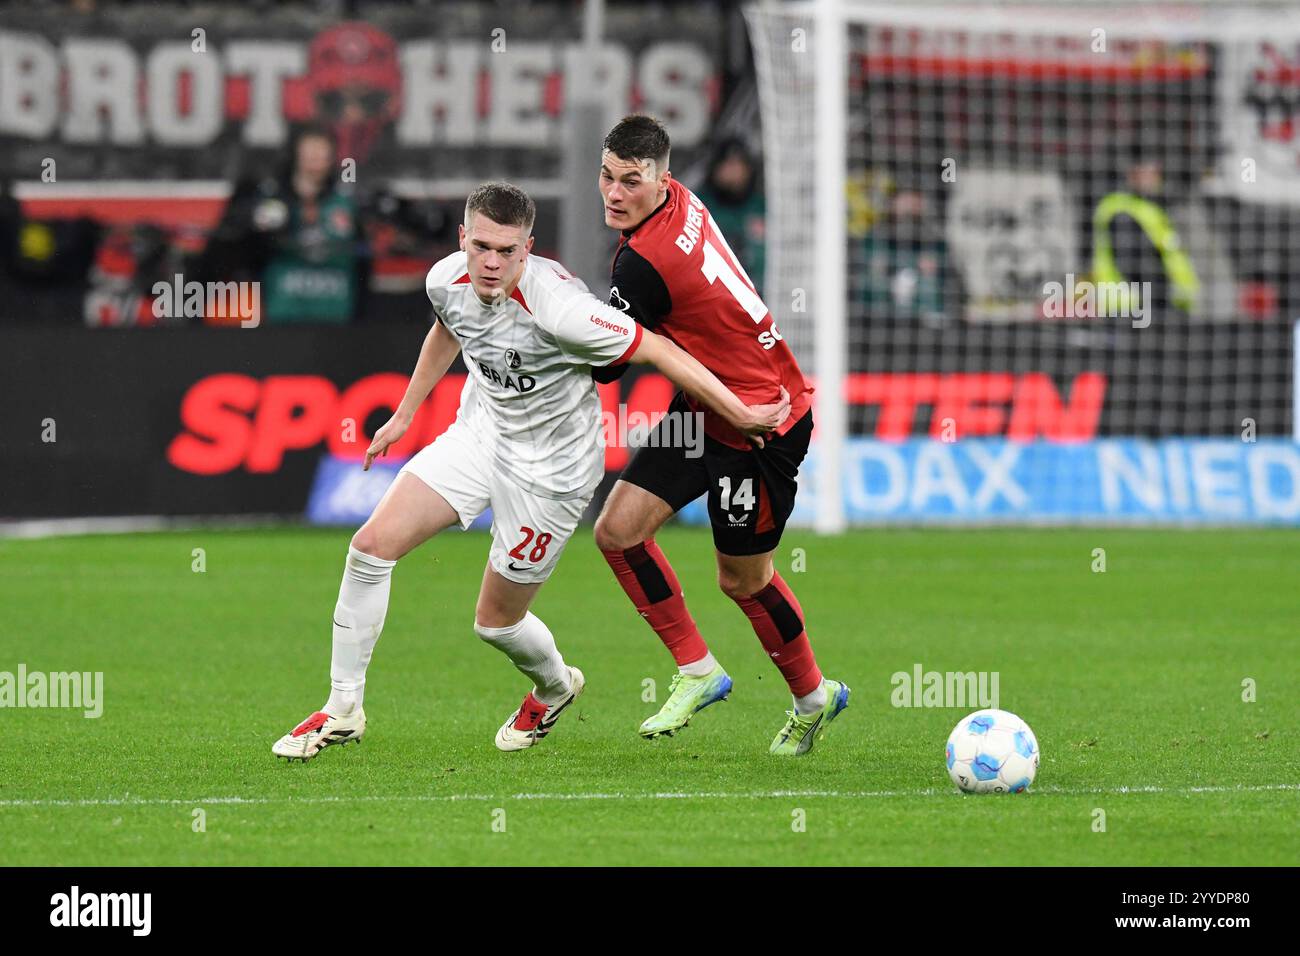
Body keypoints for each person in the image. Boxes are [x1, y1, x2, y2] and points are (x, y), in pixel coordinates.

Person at [272, 182, 789, 760]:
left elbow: (660, 352)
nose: (492, 263)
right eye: (482, 247)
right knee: (370, 548)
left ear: (529, 248)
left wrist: (738, 412)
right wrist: (405, 414)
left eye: (508, 251)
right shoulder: (445, 278)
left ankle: (554, 685)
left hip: (552, 473)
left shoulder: (566, 310)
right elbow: (449, 325)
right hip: (480, 435)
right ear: (463, 238)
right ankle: (343, 709)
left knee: (494, 624)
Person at [591, 115, 849, 756]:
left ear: (661, 179)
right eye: (606, 176)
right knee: (618, 532)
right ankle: (698, 670)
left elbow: (609, 361)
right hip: (712, 403)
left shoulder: (640, 263)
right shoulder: (683, 200)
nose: (614, 193)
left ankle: (814, 698)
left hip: (762, 426)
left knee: (742, 579)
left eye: (630, 181)